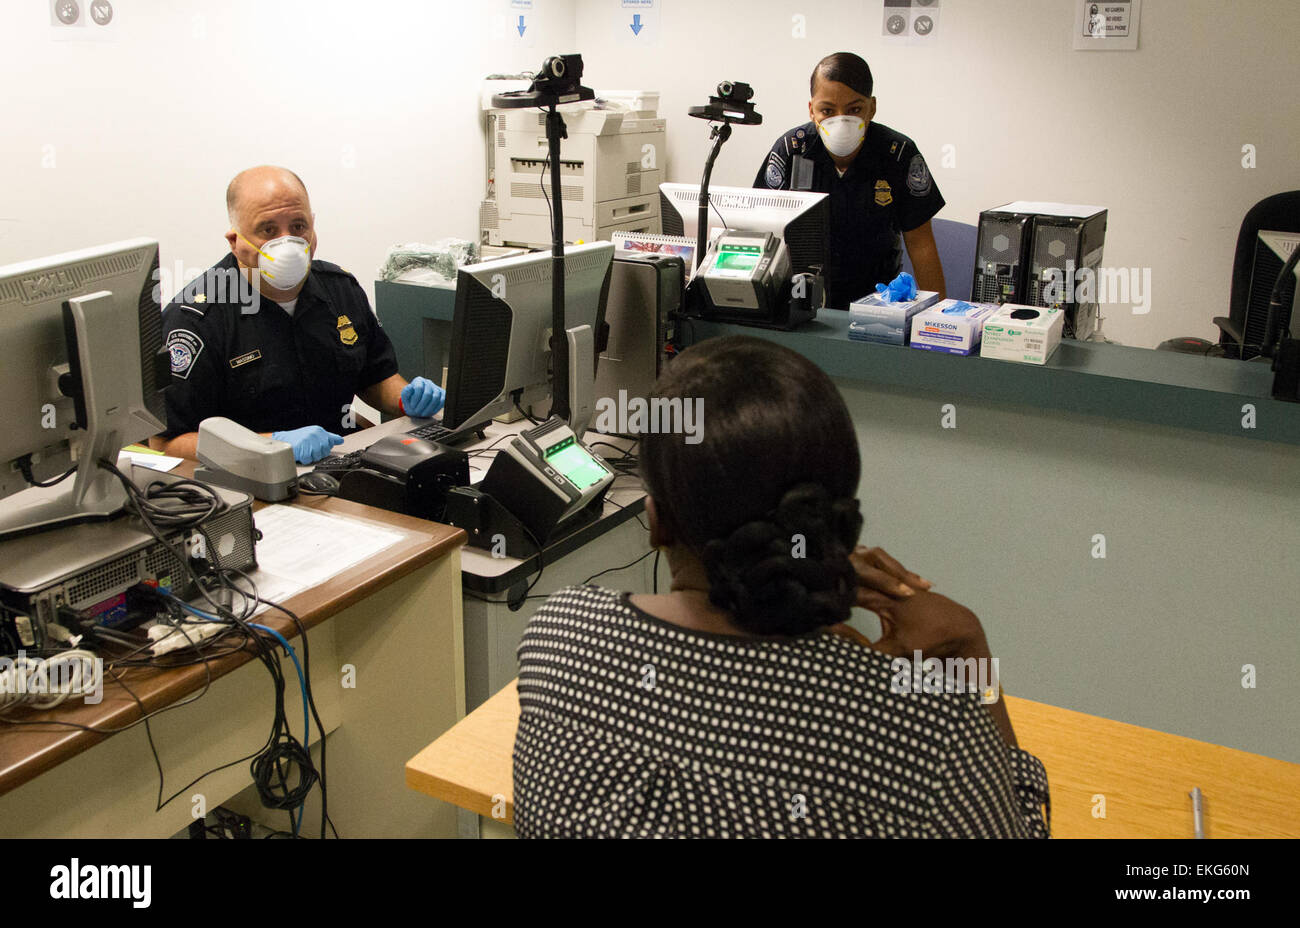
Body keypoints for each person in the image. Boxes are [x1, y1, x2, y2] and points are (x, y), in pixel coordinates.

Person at [513, 335, 1050, 838]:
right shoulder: (927, 737)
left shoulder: (558, 638)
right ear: (836, 518)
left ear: (656, 522)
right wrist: (970, 648)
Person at [152, 165, 444, 464]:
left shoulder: (340, 289)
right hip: (253, 480)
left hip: (340, 459)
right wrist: (270, 445)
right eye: (268, 230)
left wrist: (406, 398)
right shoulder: (196, 320)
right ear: (235, 241)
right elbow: (167, 442)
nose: (288, 243)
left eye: (298, 226)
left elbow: (375, 378)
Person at [754, 52, 947, 308]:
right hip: (798, 297)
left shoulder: (898, 154)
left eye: (854, 109)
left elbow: (921, 244)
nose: (841, 120)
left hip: (878, 302)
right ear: (811, 110)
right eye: (827, 110)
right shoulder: (792, 149)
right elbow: (758, 232)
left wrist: (939, 321)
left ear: (872, 108)